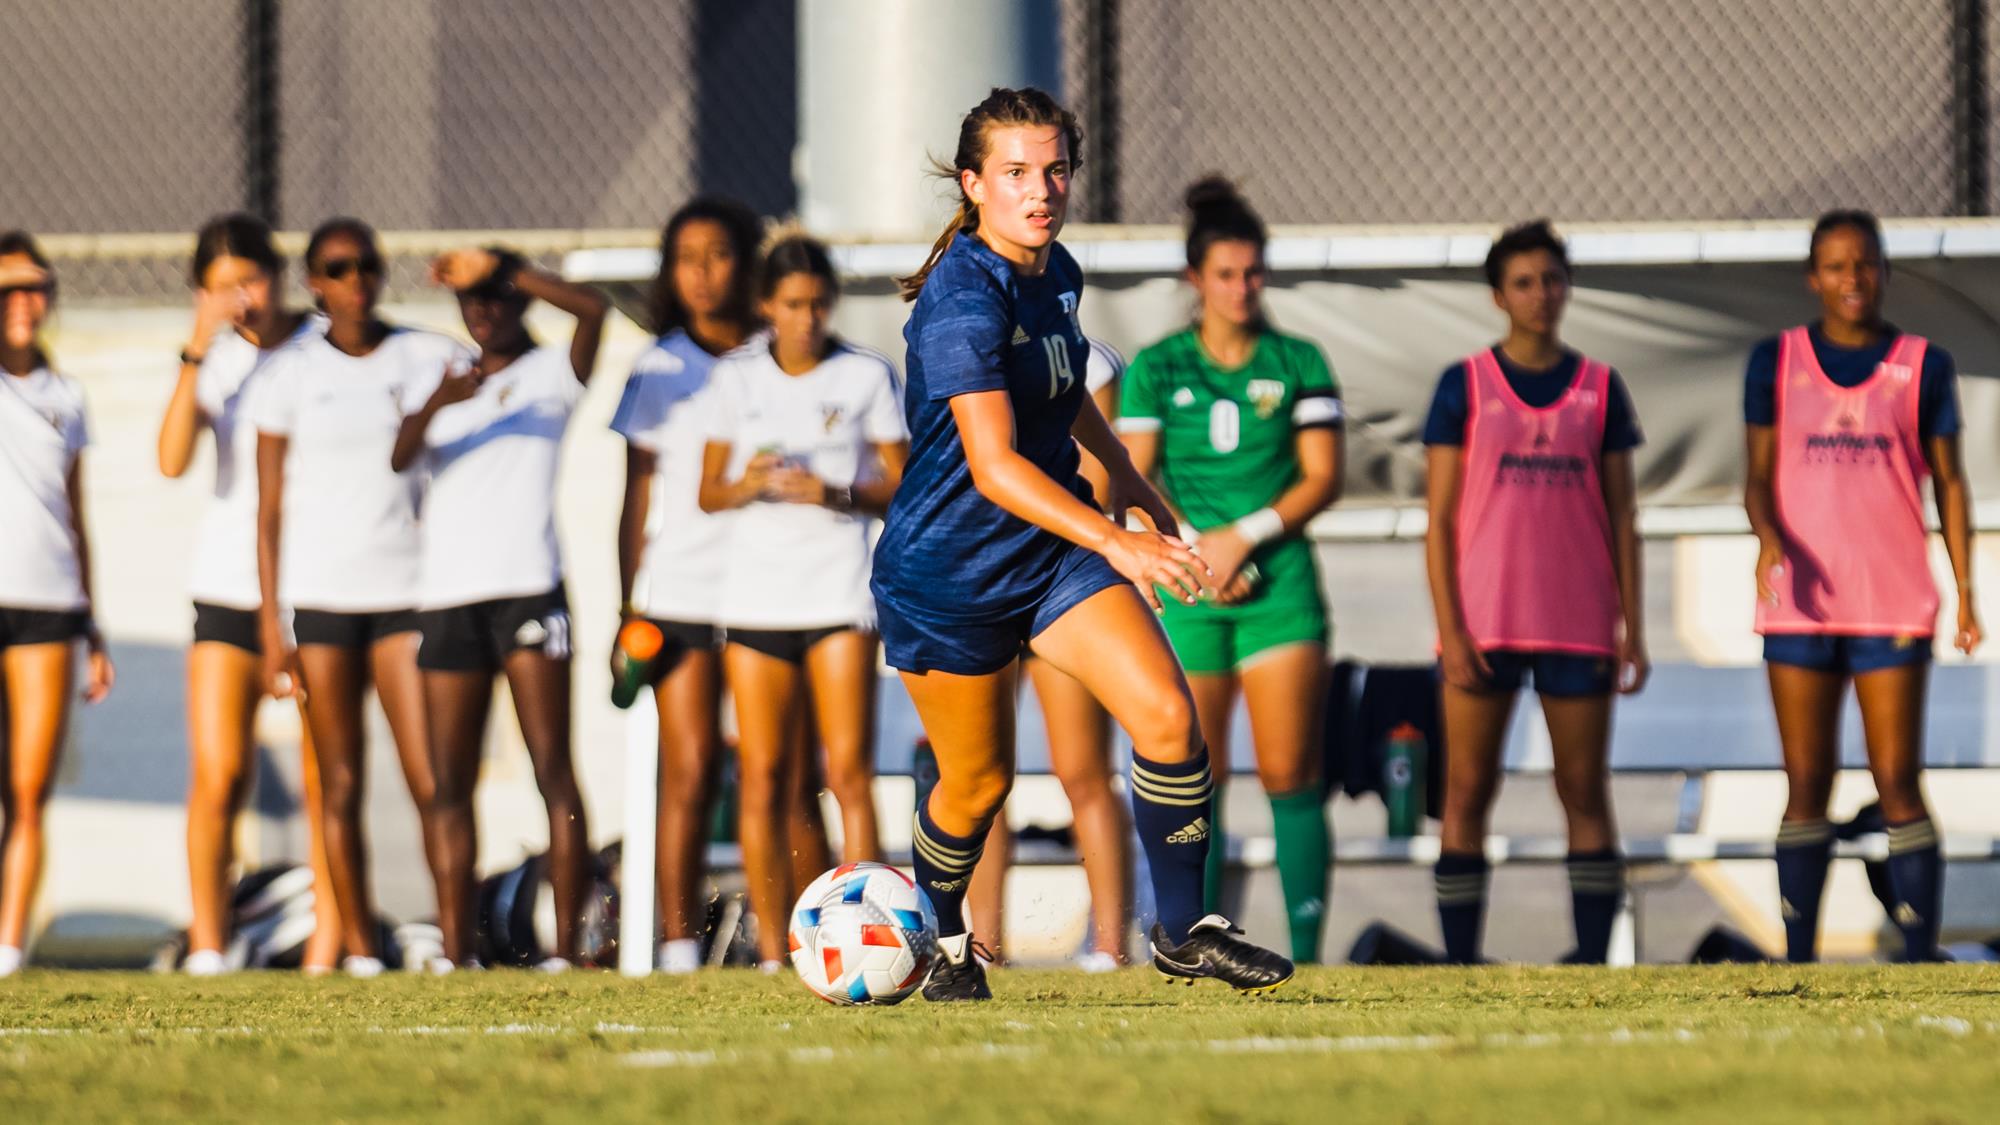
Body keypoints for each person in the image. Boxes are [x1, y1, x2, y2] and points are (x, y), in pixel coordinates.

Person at [872, 86, 1292, 1000]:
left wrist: (1132, 484)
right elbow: (992, 467)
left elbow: (1062, 391)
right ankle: (942, 941)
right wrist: (1120, 540)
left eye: (1055, 169)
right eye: (1016, 172)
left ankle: (1182, 931)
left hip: (1050, 554)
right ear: (974, 184)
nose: (1041, 189)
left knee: (1169, 721)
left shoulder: (1054, 267)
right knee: (975, 787)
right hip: (948, 575)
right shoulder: (960, 303)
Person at [1745, 209, 1980, 963]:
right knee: (1806, 779)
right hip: (1801, 604)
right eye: (1838, 266)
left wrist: (1967, 591)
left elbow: (1949, 482)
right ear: (1814, 277)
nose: (1854, 279)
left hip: (1891, 598)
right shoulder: (1775, 361)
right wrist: (1770, 536)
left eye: (1867, 264)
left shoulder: (1923, 364)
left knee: (1897, 779)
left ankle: (1917, 957)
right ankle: (1798, 959)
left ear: (1884, 272)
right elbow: (1754, 478)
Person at [1119, 179, 1344, 965]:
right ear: (1194, 279)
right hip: (1188, 587)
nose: (1242, 287)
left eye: (1253, 272)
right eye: (1225, 274)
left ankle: (1309, 950)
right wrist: (1199, 553)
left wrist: (1242, 539)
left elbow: (1322, 475)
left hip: (1277, 592)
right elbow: (1134, 477)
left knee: (1290, 770)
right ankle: (1194, 942)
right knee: (1192, 769)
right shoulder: (1156, 366)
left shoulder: (1299, 360)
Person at [1423, 219, 1647, 966]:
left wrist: (1633, 628)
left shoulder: (1600, 387)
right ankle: (1460, 963)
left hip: (1578, 622)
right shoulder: (1465, 384)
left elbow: (1623, 515)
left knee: (1583, 790)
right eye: (1523, 282)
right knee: (1466, 792)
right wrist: (1451, 629)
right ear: (1498, 296)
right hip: (1485, 620)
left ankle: (1591, 957)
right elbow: (1442, 520)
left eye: (1551, 279)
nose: (1540, 295)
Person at [253, 218, 461, 977]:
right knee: (338, 779)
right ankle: (361, 949)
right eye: (338, 268)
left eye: (367, 265)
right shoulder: (291, 373)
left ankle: (452, 936)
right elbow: (268, 509)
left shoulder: (424, 353)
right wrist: (272, 623)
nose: (356, 280)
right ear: (315, 281)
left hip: (406, 594)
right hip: (322, 599)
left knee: (431, 774)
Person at [391, 245, 608, 971]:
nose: (483, 312)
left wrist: (506, 267)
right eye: (471, 301)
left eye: (497, 297)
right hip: (448, 597)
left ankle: (568, 948)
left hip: (527, 587)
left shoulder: (552, 373)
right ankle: (457, 952)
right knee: (448, 783)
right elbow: (397, 457)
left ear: (519, 299)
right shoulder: (443, 377)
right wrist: (439, 403)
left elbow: (594, 310)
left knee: (553, 768)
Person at [697, 234, 908, 971]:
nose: (807, 317)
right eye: (792, 304)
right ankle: (773, 943)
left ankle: (875, 935)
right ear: (767, 306)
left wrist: (837, 491)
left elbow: (902, 483)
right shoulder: (736, 377)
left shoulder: (864, 375)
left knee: (846, 767)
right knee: (761, 773)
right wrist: (753, 480)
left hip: (837, 589)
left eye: (818, 303)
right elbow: (708, 491)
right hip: (757, 597)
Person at [157, 213, 340, 975]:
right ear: (204, 291)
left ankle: (332, 939)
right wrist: (198, 345)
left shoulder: (325, 346)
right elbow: (170, 459)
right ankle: (208, 939)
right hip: (228, 590)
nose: (245, 298)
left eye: (254, 279)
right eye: (227, 285)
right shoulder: (216, 360)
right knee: (219, 771)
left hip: (317, 589)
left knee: (327, 775)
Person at [967, 337, 1136, 971]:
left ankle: (1111, 949)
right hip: (983, 580)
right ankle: (983, 949)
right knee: (978, 779)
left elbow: (1096, 478)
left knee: (1084, 770)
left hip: (1058, 580)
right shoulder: (963, 345)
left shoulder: (1090, 359)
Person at [0, 231, 116, 977]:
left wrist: (93, 623)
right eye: (8, 288)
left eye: (37, 287)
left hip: (47, 606)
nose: (24, 303)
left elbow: (77, 516)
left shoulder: (65, 396)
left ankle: (7, 947)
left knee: (29, 789)